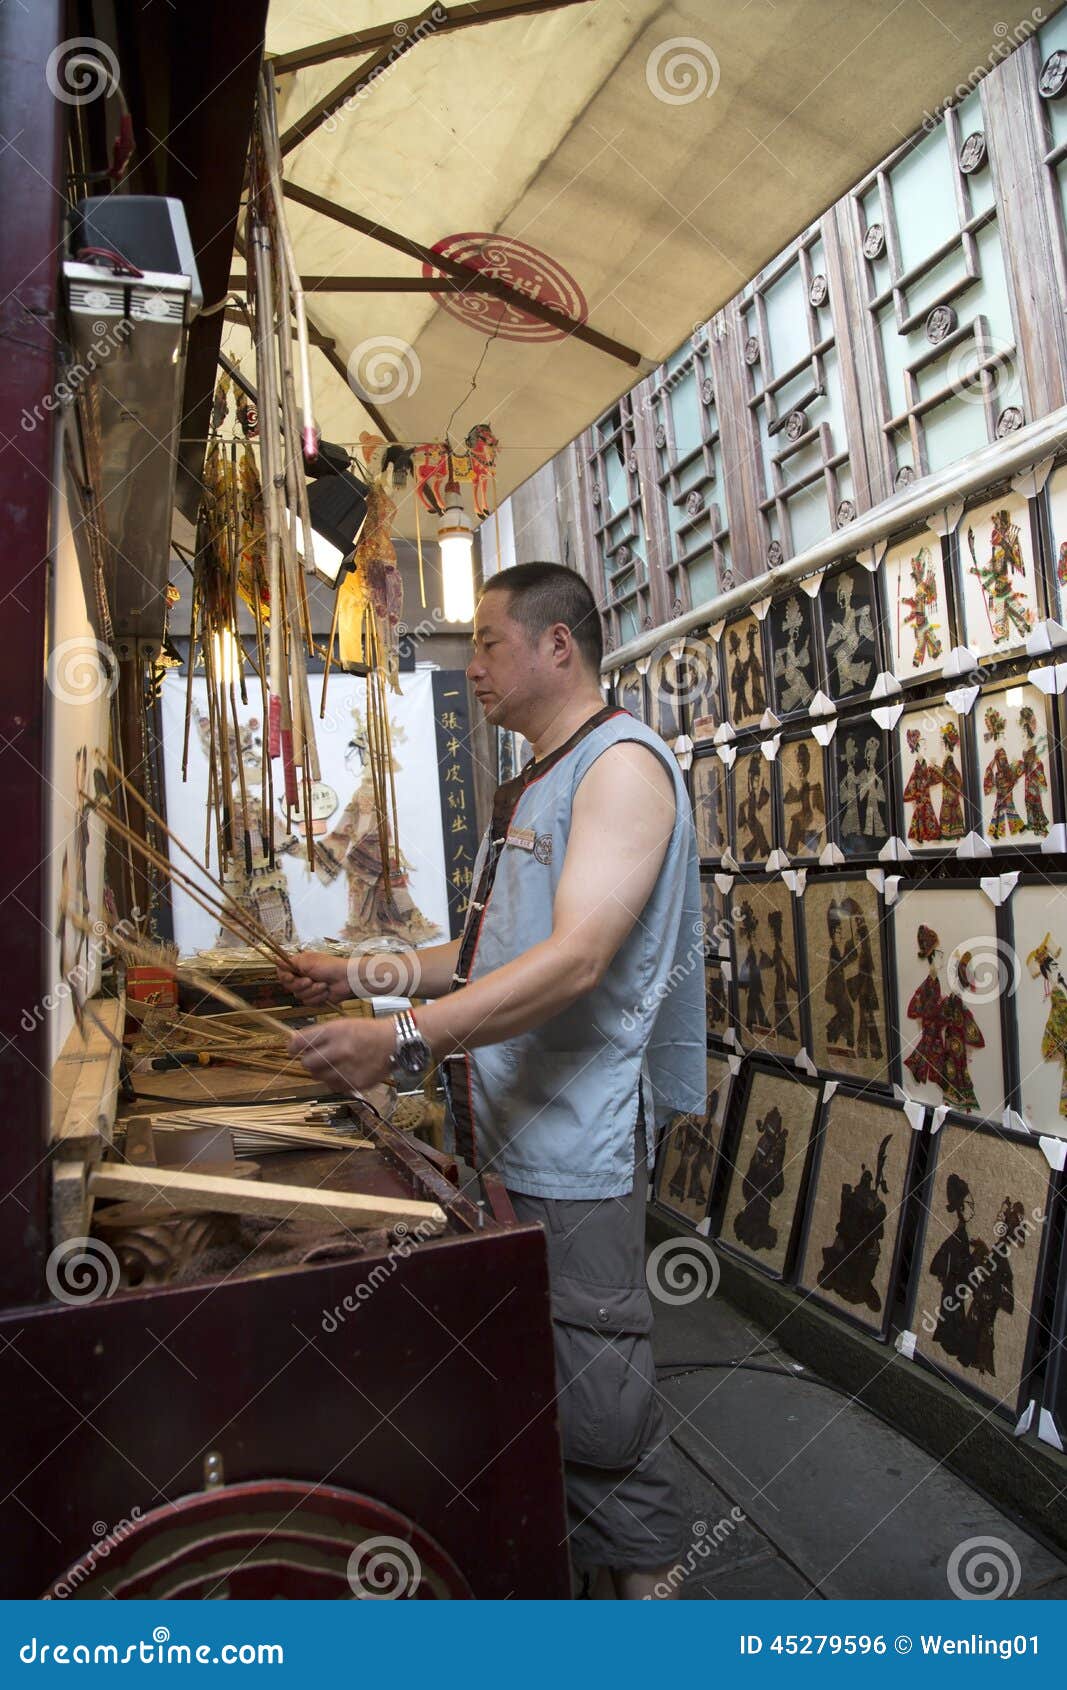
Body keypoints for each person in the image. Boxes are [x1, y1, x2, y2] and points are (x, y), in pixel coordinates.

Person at [278, 562, 706, 1600]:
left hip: (573, 1152)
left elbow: (573, 960)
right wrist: (355, 973)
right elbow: (481, 958)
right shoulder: (534, 780)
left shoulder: (619, 769)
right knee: (540, 1401)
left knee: (604, 1423)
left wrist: (403, 1041)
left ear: (558, 645)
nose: (468, 665)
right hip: (507, 1141)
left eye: (485, 641)